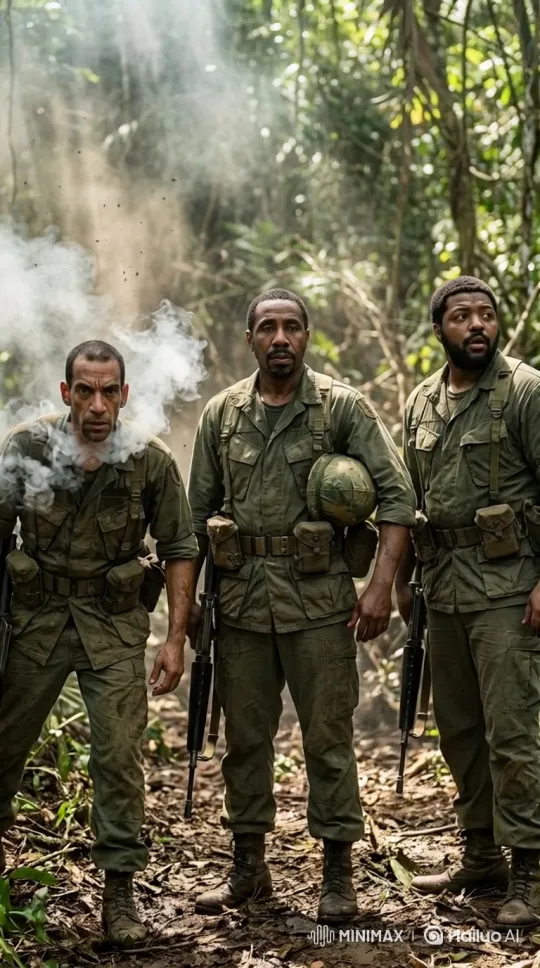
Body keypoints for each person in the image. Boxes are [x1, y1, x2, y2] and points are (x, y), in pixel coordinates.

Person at [188, 288, 416, 922]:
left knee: (328, 740)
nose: (280, 338)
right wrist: (187, 621)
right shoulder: (222, 415)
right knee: (245, 743)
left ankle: (338, 876)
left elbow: (398, 502)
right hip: (239, 610)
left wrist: (377, 590)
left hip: (319, 607)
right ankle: (249, 869)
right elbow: (193, 521)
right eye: (268, 328)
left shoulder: (340, 408)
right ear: (251, 339)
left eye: (291, 327)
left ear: (307, 336)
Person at [0, 340, 198, 945]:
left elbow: (180, 548)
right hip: (35, 624)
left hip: (112, 627)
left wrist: (174, 639)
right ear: (65, 393)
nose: (97, 404)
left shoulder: (149, 460)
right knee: (3, 745)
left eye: (109, 391)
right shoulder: (27, 447)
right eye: (84, 390)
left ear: (124, 394)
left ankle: (119, 896)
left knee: (117, 756)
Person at [396, 276, 540, 926]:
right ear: (439, 330)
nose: (477, 325)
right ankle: (481, 854)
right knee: (458, 728)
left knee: (514, 731)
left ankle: (531, 870)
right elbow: (409, 501)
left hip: (509, 592)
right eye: (462, 316)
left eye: (486, 314)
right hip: (444, 591)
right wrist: (400, 586)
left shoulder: (526, 392)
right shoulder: (423, 402)